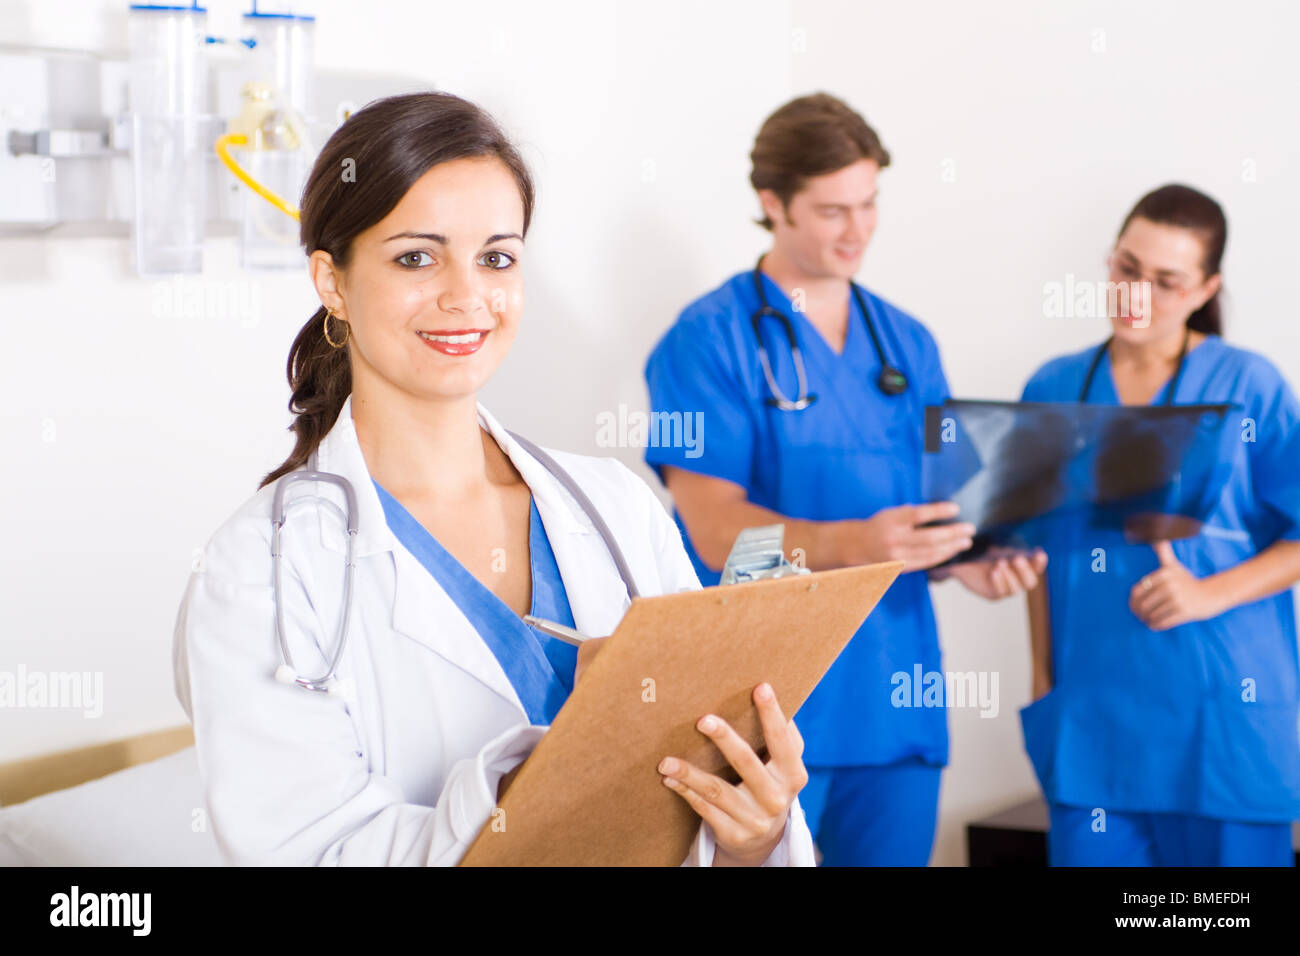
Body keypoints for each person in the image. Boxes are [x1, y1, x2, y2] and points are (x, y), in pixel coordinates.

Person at [172, 91, 815, 866]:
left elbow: (707, 806)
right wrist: (566, 763)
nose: (465, 295)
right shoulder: (262, 570)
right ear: (332, 282)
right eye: (417, 256)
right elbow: (312, 852)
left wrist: (755, 834)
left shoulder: (613, 508)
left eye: (496, 257)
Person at [642, 92, 1046, 866]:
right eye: (832, 210)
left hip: (895, 698)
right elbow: (713, 528)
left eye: (869, 204)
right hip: (766, 709)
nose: (857, 230)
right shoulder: (709, 339)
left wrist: (973, 561)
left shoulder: (906, 340)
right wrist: (854, 542)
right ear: (773, 203)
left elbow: (934, 515)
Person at [1019, 183, 1300, 866]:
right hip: (1092, 721)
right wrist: (1041, 676)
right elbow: (1032, 550)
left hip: (1225, 723)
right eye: (1126, 269)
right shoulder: (1054, 387)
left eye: (1166, 281)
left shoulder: (1250, 385)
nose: (1136, 295)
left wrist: (1208, 593)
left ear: (1206, 288)